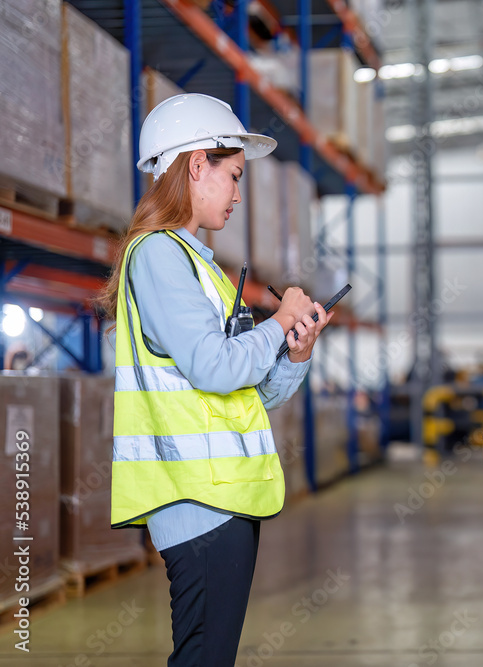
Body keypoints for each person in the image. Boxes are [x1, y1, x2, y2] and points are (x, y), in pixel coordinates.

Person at [96, 93, 330, 666]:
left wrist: (295, 352)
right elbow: (212, 365)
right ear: (196, 165)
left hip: (223, 495)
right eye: (233, 175)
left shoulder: (200, 265)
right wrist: (278, 322)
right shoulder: (157, 255)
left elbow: (249, 391)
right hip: (196, 498)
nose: (238, 193)